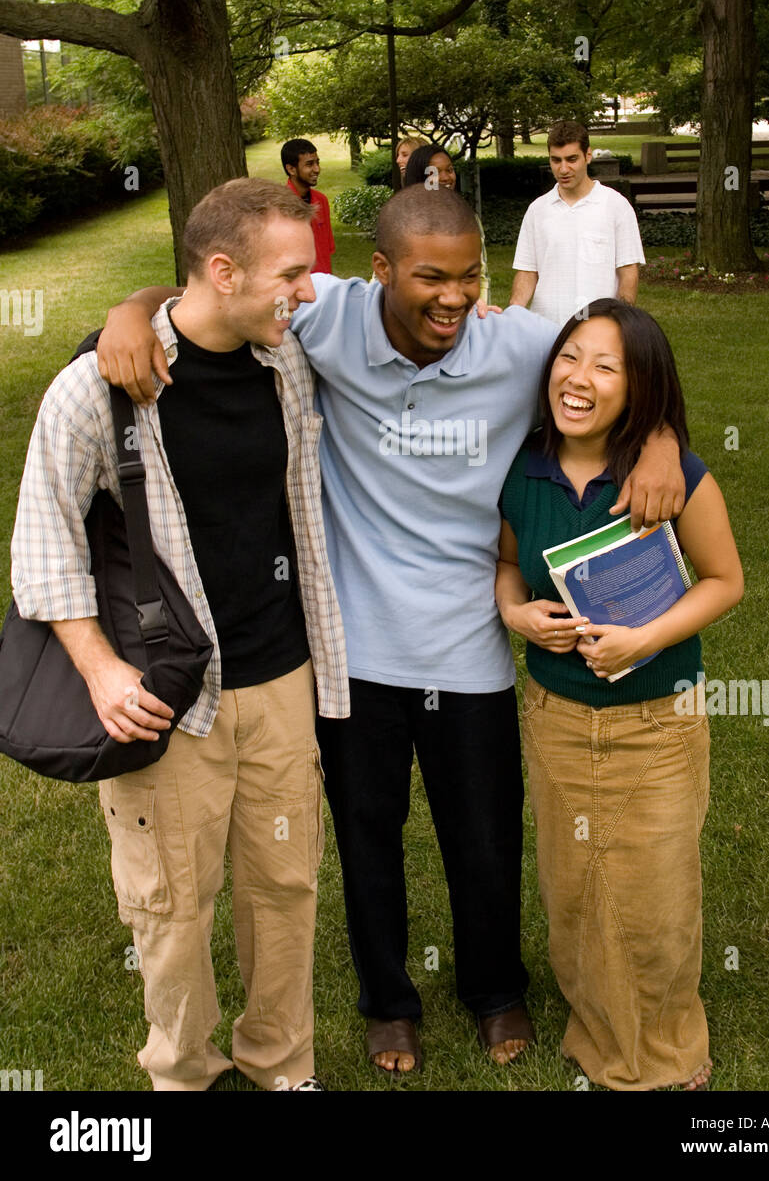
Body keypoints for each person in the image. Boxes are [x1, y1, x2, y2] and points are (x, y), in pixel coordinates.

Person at [95, 186, 686, 1078]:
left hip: (474, 648)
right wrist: (128, 311)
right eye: (430, 279)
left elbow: (620, 363)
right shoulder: (320, 315)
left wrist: (667, 439)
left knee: (482, 839)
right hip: (352, 656)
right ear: (378, 274)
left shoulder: (519, 343)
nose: (453, 298)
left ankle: (494, 988)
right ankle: (388, 1002)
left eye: (469, 277)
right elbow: (203, 294)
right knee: (367, 836)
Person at [11, 178, 350, 1092]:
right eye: (291, 274)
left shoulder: (285, 363)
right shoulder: (97, 387)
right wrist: (98, 669)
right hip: (164, 692)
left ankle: (282, 1067)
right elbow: (42, 546)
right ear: (223, 270)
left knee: (285, 889)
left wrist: (142, 300)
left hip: (281, 677)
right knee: (171, 910)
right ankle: (184, 1075)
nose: (308, 293)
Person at [496, 298, 744, 1091]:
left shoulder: (668, 476)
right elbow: (506, 564)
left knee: (654, 896)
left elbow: (725, 581)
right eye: (570, 356)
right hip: (556, 717)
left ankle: (670, 1056)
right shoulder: (522, 466)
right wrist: (516, 613)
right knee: (574, 891)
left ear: (640, 390)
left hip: (655, 720)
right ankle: (594, 1032)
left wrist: (649, 637)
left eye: (607, 367)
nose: (579, 377)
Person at [509, 120, 645, 323]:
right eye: (556, 160)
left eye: (571, 159)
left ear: (588, 156)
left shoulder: (616, 206)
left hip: (597, 328)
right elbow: (527, 272)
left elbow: (628, 273)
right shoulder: (537, 210)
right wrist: (512, 316)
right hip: (546, 327)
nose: (563, 169)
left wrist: (621, 325)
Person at [404, 143, 490, 302]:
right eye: (434, 172)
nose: (445, 178)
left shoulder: (468, 219)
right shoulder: (403, 221)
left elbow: (481, 276)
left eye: (449, 170)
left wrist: (480, 308)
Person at [280, 138, 336, 274]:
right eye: (309, 164)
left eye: (317, 163)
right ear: (291, 169)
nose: (317, 169)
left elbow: (327, 250)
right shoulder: (280, 206)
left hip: (324, 286)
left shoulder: (321, 200)